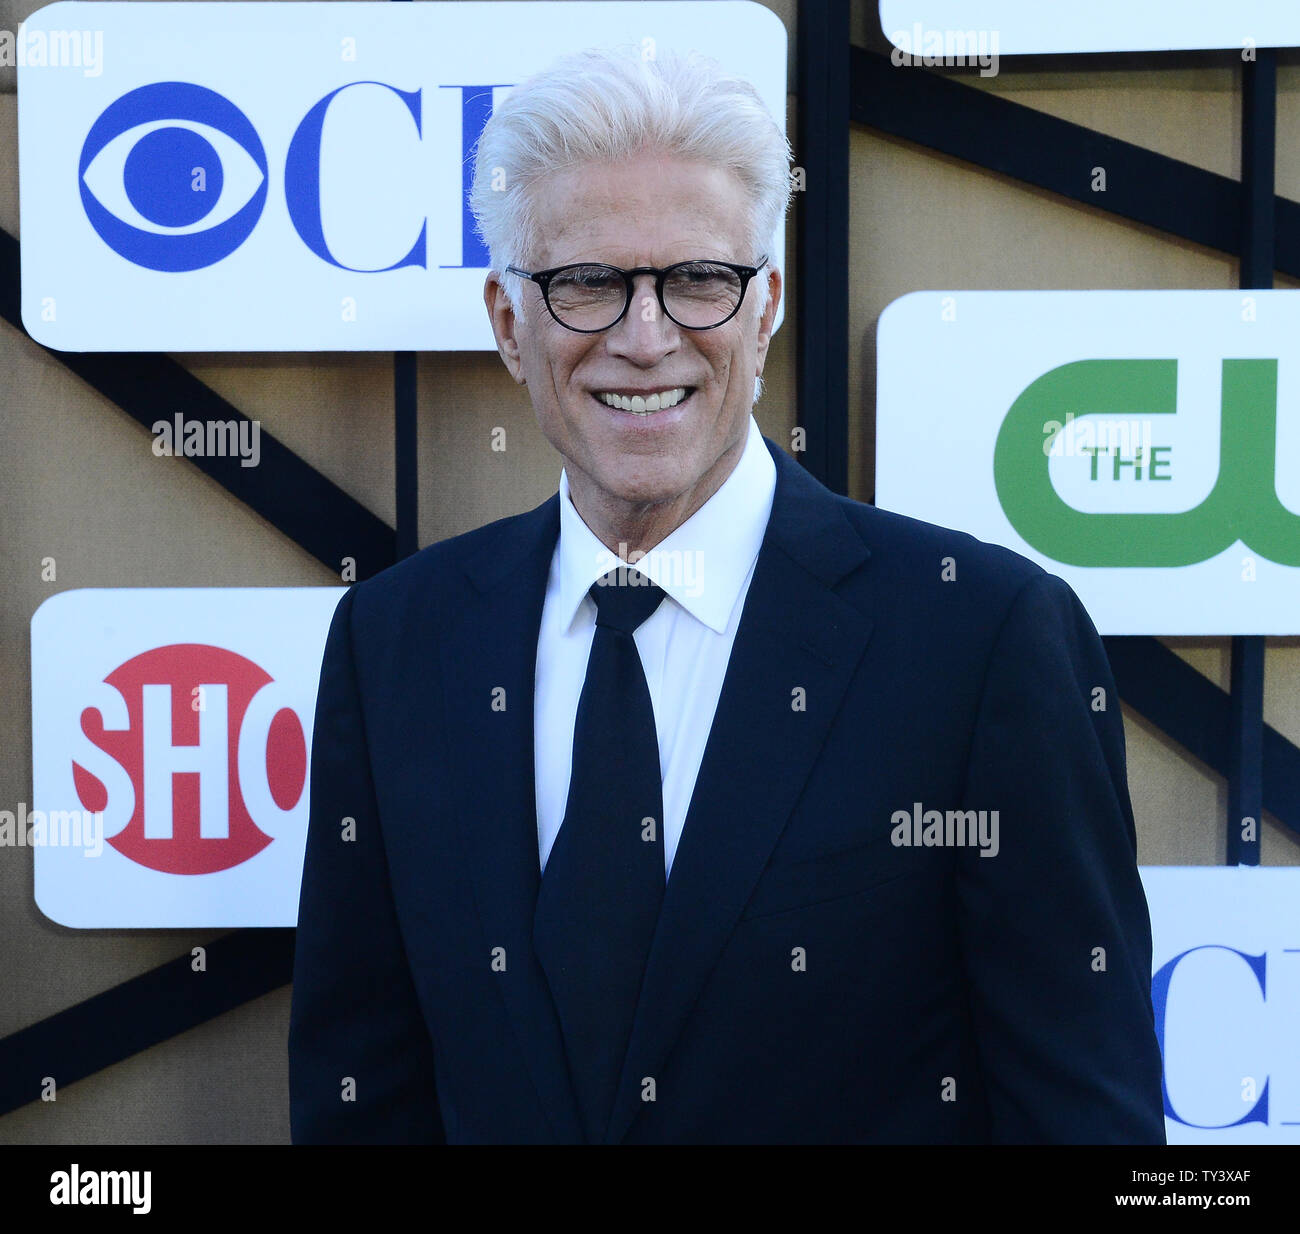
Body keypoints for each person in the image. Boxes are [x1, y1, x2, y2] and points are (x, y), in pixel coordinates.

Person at [288, 44, 1166, 1144]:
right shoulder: (396, 642)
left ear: (767, 308)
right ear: (509, 324)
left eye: (699, 279)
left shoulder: (978, 637)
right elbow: (360, 1091)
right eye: (587, 282)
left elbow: (1085, 1117)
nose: (645, 335)